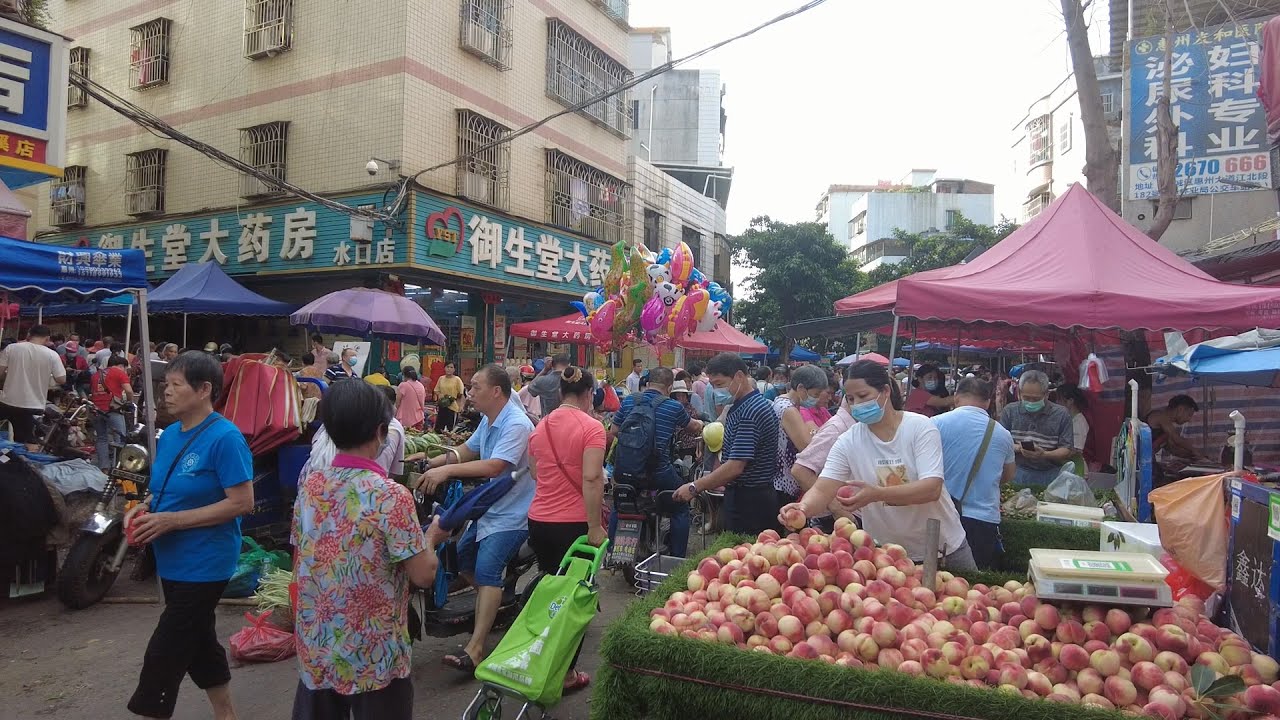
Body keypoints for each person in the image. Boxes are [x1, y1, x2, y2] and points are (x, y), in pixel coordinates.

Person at [291, 380, 437, 720]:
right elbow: (423, 574)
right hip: (373, 653)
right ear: (380, 431)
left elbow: (300, 558)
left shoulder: (310, 485)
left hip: (318, 644)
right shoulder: (389, 496)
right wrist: (433, 538)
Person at [125, 351, 254, 720]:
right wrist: (146, 507)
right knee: (199, 643)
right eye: (165, 384)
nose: (165, 392)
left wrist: (173, 522)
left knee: (163, 654)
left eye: (175, 385)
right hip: (172, 561)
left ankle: (151, 710)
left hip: (206, 562)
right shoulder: (170, 436)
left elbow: (243, 502)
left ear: (204, 390)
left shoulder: (225, 438)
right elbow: (164, 488)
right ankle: (226, 715)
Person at [779, 360, 976, 570]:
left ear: (885, 391)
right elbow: (822, 489)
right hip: (886, 556)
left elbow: (931, 488)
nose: (857, 405)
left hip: (942, 550)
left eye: (863, 396)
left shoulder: (920, 427)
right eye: (851, 399)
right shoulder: (849, 440)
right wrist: (803, 508)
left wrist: (876, 494)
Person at [416, 364, 534, 673]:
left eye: (476, 387)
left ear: (496, 391)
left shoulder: (516, 423)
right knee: (463, 558)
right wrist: (432, 461)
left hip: (513, 513)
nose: (469, 392)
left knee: (486, 570)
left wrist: (447, 470)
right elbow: (468, 450)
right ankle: (492, 606)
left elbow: (496, 466)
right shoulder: (489, 419)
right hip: (489, 509)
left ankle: (477, 648)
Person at [525, 365, 605, 693]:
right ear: (588, 395)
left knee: (550, 588)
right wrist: (595, 525)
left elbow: (534, 472)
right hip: (572, 524)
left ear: (559, 393)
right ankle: (565, 672)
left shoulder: (540, 426)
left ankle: (536, 651)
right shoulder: (593, 428)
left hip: (539, 520)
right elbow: (591, 478)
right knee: (575, 598)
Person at [674, 353, 779, 536]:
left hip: (750, 501)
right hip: (750, 496)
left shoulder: (750, 411)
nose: (716, 391)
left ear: (739, 377)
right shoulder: (749, 405)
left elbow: (736, 466)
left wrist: (694, 487)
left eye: (720, 384)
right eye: (713, 386)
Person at [609, 367, 702, 558]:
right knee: (681, 505)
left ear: (648, 383)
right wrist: (701, 424)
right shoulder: (674, 406)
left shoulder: (629, 401)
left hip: (626, 471)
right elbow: (692, 427)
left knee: (620, 504)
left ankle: (611, 553)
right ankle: (676, 559)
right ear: (669, 387)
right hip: (659, 473)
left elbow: (614, 431)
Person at [931, 378, 1015, 569]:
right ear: (988, 402)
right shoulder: (1003, 434)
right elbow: (1008, 475)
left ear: (956, 397)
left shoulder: (934, 424)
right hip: (982, 520)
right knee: (973, 587)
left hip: (939, 514)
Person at [791, 366, 859, 516]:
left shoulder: (827, 414)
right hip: (829, 514)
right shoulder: (837, 428)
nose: (829, 397)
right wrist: (836, 508)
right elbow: (801, 468)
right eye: (855, 397)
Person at [999, 369, 1074, 486]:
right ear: (1019, 394)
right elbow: (1001, 442)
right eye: (1026, 398)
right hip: (1017, 472)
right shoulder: (1009, 411)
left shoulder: (1061, 414)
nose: (1031, 402)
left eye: (1036, 399)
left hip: (1051, 474)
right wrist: (1019, 448)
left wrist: (1044, 454)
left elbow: (1067, 449)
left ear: (1047, 395)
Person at [771, 364, 827, 508]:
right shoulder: (788, 409)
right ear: (801, 388)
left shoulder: (781, 401)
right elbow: (807, 447)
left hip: (780, 480)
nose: (815, 399)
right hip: (784, 483)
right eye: (815, 394)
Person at [0, 324, 65, 444]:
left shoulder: (11, 348)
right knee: (24, 441)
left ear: (29, 335)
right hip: (32, 404)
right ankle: (20, 459)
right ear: (47, 339)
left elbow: (0, 373)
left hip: (8, 402)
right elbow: (61, 379)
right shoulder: (52, 355)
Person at [91, 354, 135, 470]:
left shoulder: (96, 374)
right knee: (120, 438)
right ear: (122, 366)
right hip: (113, 409)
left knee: (101, 438)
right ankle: (117, 467)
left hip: (96, 409)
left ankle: (104, 468)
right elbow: (129, 391)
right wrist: (129, 403)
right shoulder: (119, 372)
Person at [1146, 394, 1201, 461]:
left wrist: (1193, 455)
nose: (1189, 420)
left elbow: (1173, 449)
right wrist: (1194, 450)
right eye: (1189, 415)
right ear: (1180, 409)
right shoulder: (1160, 416)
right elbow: (1177, 439)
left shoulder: (1166, 428)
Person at [1057, 382, 1091, 475]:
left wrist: (1049, 454)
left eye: (1059, 400)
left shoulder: (1079, 421)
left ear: (1070, 401)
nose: (1057, 403)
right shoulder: (1068, 419)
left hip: (1076, 469)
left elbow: (1075, 449)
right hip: (1067, 467)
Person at [432, 361, 465, 431]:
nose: (449, 369)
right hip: (442, 406)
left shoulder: (457, 380)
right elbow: (436, 390)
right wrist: (441, 396)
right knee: (438, 428)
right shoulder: (441, 378)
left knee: (451, 430)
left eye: (451, 367)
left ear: (454, 369)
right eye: (447, 367)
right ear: (444, 368)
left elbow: (461, 394)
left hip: (452, 407)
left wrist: (461, 406)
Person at [395, 366, 426, 430]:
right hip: (419, 417)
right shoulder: (421, 385)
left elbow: (397, 403)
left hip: (406, 418)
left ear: (404, 375)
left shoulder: (403, 385)